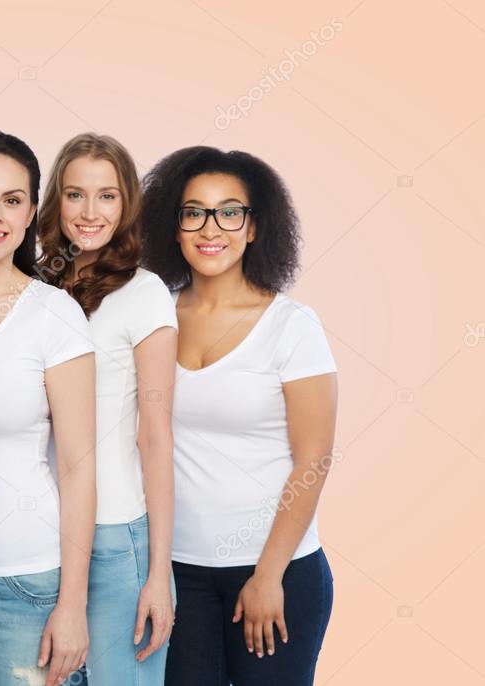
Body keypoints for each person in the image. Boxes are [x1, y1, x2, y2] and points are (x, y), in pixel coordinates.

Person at [140, 146, 337, 686]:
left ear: (253, 228)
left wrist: (268, 574)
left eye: (230, 212)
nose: (212, 228)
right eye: (194, 211)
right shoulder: (153, 316)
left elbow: (314, 457)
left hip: (277, 572)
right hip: (177, 573)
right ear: (173, 226)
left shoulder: (292, 325)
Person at [0, 128, 96, 686]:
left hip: (24, 579)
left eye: (12, 200)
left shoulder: (54, 315)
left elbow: (78, 469)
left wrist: (72, 606)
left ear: (31, 213)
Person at [37, 133, 178, 685]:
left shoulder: (144, 294)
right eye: (75, 195)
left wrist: (158, 573)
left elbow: (156, 434)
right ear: (56, 201)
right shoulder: (37, 286)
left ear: (126, 207)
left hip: (115, 535)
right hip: (40, 533)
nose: (89, 212)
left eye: (107, 196)